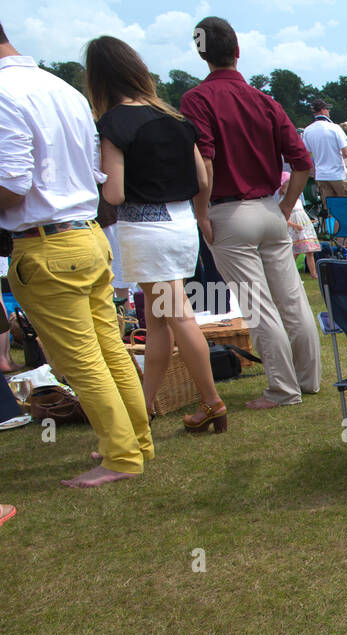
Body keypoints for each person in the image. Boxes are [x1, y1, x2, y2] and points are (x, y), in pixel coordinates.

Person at [0, 23, 153, 486]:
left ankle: (123, 454)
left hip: (46, 243)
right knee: (107, 349)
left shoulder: (6, 93)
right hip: (85, 235)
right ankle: (135, 441)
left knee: (81, 359)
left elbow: (12, 186)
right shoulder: (61, 89)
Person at [85, 35, 226, 434]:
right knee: (161, 317)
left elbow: (112, 193)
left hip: (146, 230)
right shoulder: (179, 120)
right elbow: (202, 177)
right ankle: (146, 405)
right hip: (181, 226)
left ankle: (213, 402)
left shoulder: (113, 124)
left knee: (177, 316)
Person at [181, 16, 320, 411]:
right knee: (292, 300)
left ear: (202, 53)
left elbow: (204, 163)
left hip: (229, 211)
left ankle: (282, 388)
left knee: (258, 306)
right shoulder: (266, 101)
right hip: (268, 210)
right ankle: (307, 380)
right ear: (237, 50)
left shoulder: (197, 100)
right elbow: (302, 162)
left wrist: (201, 212)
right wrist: (287, 205)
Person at [302, 99, 347, 199]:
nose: (329, 111)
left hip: (321, 176)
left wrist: (315, 174)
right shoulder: (335, 128)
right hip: (339, 175)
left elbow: (307, 156)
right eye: (327, 109)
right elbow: (346, 154)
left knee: (330, 208)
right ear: (323, 110)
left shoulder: (307, 130)